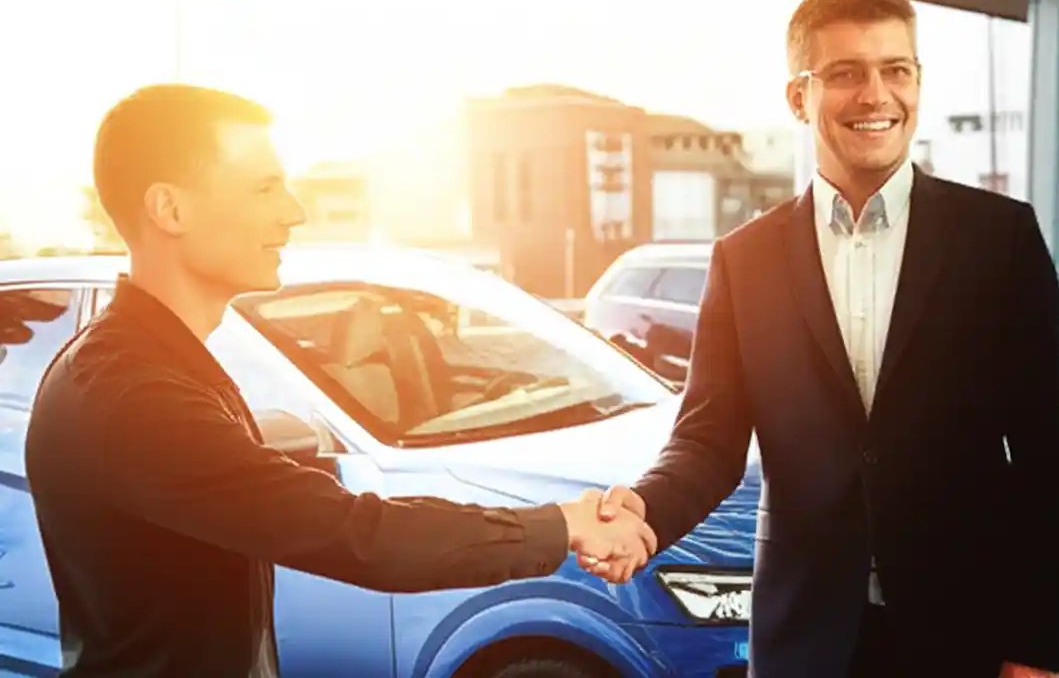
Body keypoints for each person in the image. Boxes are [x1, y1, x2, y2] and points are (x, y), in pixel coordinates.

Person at [24, 84, 655, 678]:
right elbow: (361, 537)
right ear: (170, 208)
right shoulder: (133, 396)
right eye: (265, 188)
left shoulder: (154, 366)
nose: (294, 212)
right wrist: (561, 524)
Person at [586, 0, 1059, 678]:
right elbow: (707, 440)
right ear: (799, 96)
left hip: (962, 634)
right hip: (805, 640)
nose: (876, 96)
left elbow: (1046, 464)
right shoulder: (744, 260)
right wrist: (644, 510)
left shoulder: (999, 239)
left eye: (895, 71)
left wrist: (1036, 650)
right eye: (846, 74)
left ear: (917, 82)